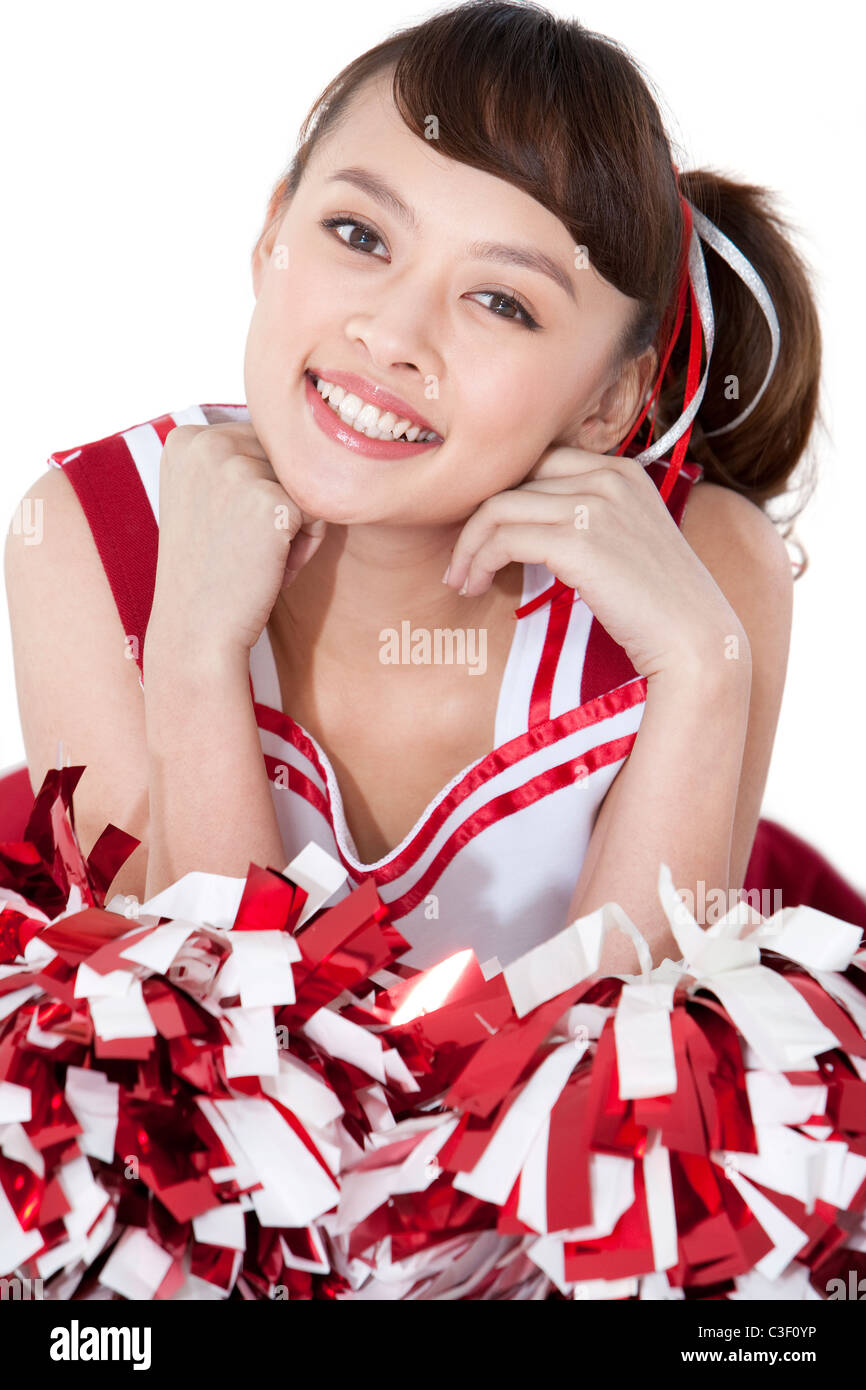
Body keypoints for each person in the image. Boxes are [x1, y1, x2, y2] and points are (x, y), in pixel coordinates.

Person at [3, 2, 825, 976]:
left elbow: (629, 1084)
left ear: (608, 401)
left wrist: (699, 669)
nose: (391, 335)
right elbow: (196, 1061)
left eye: (499, 301)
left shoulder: (705, 564)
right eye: (358, 233)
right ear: (272, 234)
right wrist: (189, 654)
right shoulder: (90, 536)